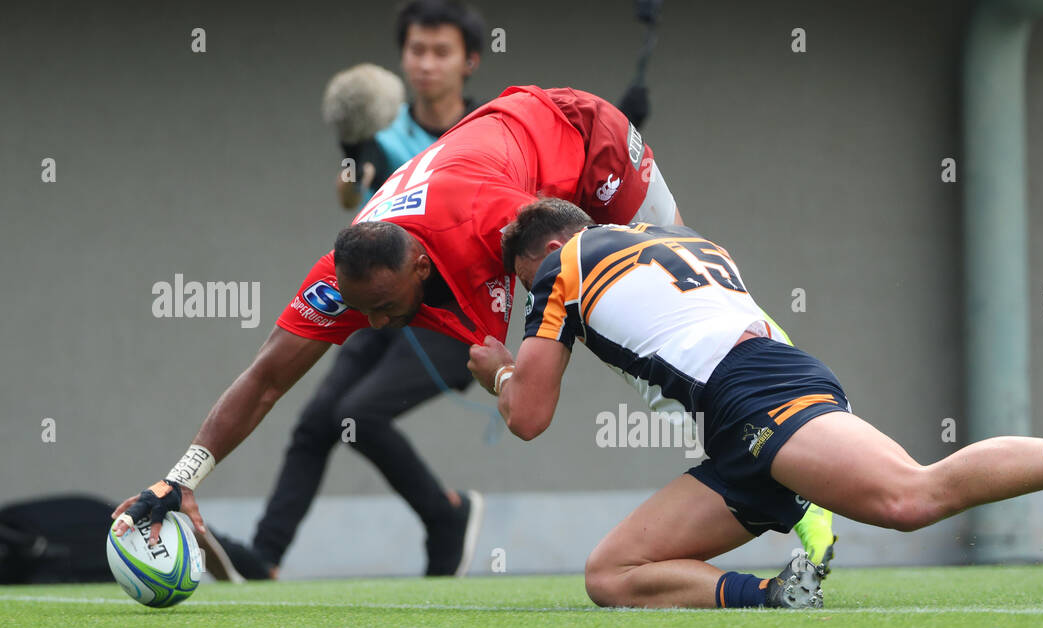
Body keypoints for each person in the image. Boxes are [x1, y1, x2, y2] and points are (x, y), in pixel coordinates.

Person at [458, 198, 1043, 609]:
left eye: (523, 281)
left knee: (909, 496)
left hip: (756, 391)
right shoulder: (685, 239)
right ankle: (772, 594)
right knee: (614, 572)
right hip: (753, 400)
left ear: (539, 254)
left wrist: (498, 371)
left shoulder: (562, 265)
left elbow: (528, 415)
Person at [109, 86, 716, 559]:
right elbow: (266, 378)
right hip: (504, 149)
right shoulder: (344, 276)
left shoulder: (498, 228)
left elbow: (533, 406)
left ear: (423, 266)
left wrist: (509, 377)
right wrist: (177, 479)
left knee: (676, 299)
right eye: (361, 308)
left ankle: (770, 406)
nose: (371, 324)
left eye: (382, 305)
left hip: (584, 137)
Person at [251, 0, 488, 578]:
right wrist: (354, 158)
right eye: (416, 50)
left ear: (470, 62)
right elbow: (348, 196)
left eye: (441, 52)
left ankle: (446, 515)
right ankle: (262, 560)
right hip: (381, 309)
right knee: (315, 423)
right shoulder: (383, 132)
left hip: (451, 315)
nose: (426, 63)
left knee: (358, 414)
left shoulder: (486, 131)